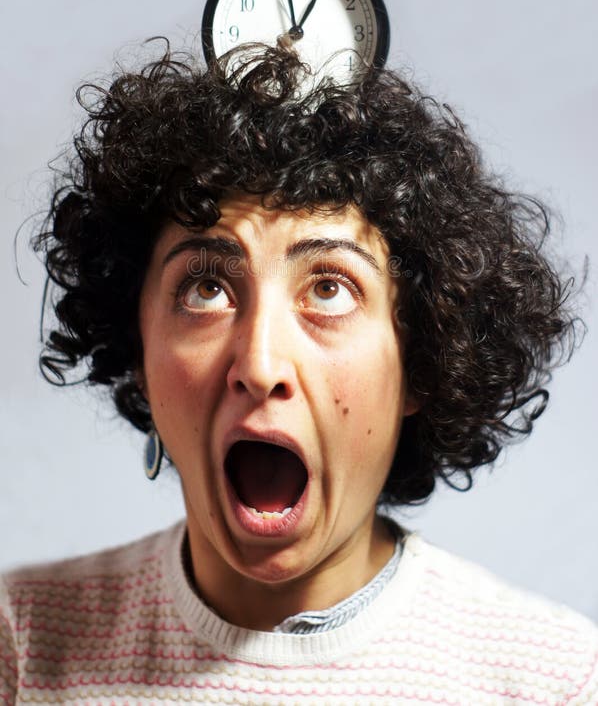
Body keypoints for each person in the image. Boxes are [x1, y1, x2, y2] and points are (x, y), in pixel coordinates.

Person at [1, 43, 596, 704]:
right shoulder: (21, 643)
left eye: (330, 289)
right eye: (205, 289)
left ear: (419, 364)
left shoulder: (554, 681)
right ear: (137, 350)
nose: (260, 366)